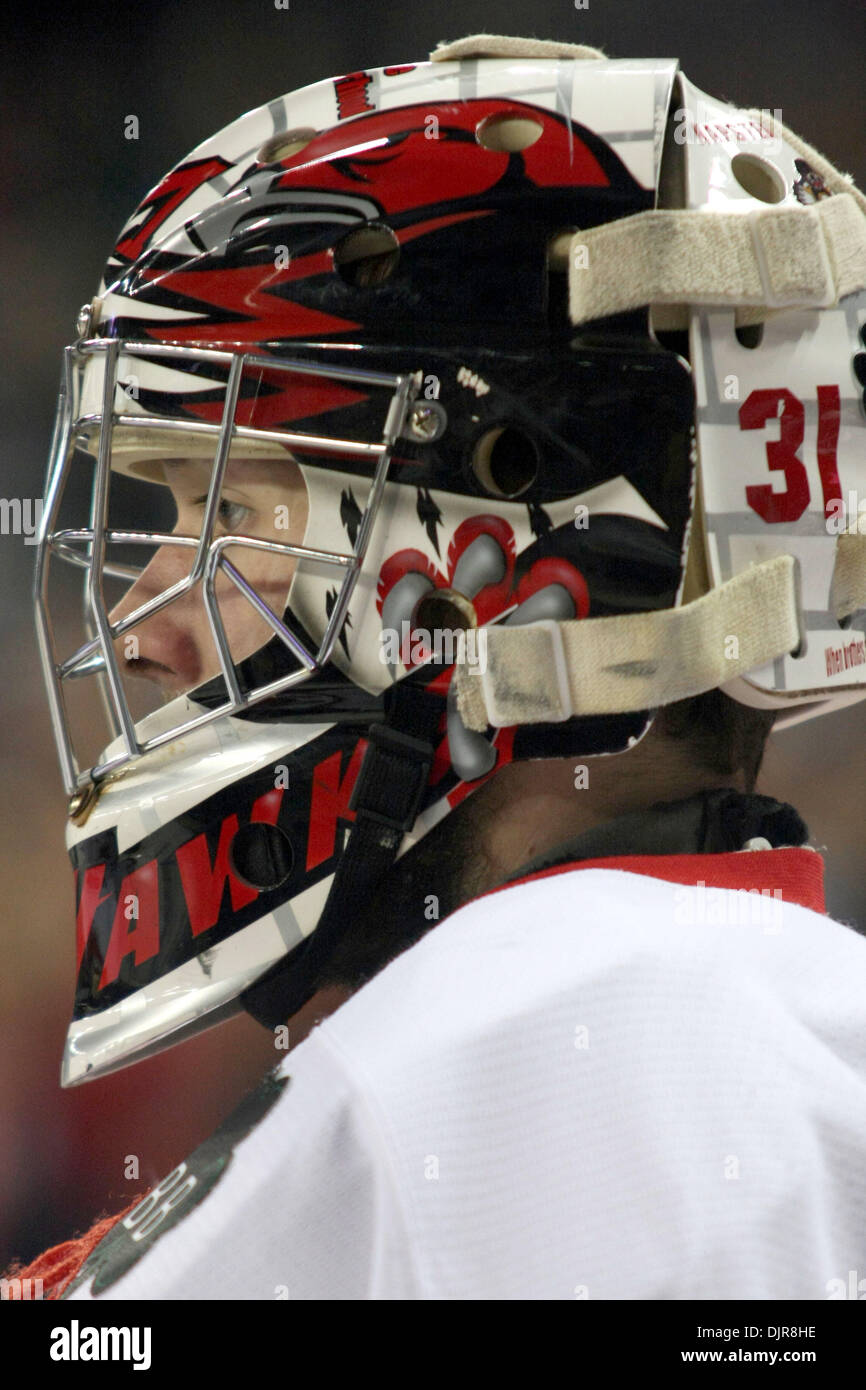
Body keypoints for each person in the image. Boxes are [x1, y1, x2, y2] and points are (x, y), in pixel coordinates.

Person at [13, 32, 866, 1299]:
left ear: (513, 542)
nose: (138, 634)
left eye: (231, 513)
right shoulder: (806, 1015)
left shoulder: (476, 1073)